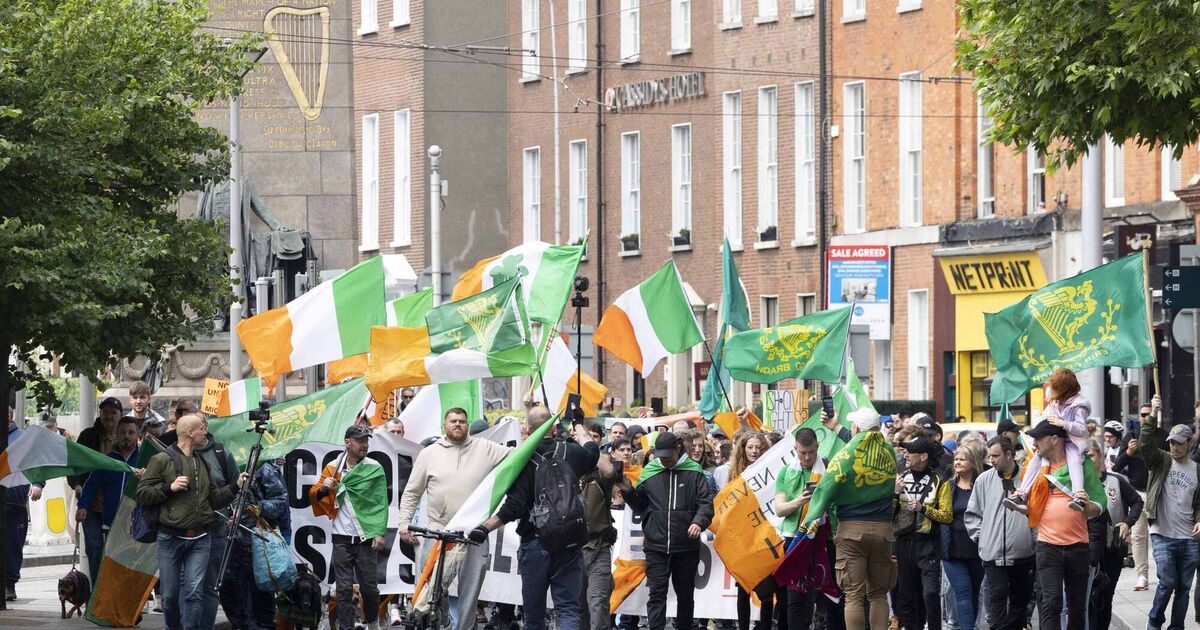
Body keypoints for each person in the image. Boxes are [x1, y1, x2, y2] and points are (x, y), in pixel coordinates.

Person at [471, 407, 600, 630]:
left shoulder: (522, 459)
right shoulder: (572, 452)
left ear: (527, 429)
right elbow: (592, 451)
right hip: (569, 540)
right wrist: (578, 423)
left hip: (535, 542)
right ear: (555, 427)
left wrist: (485, 527)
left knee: (534, 614)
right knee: (568, 609)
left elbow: (513, 507)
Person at [397, 408, 511, 630]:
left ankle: (465, 628)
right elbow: (411, 493)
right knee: (434, 587)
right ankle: (444, 624)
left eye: (462, 421)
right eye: (453, 421)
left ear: (467, 425)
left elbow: (517, 457)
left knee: (470, 591)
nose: (458, 424)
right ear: (444, 425)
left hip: (474, 532)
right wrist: (404, 524)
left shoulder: (485, 447)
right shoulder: (428, 453)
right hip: (439, 530)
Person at [135, 415, 246, 630]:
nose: (206, 432)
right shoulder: (161, 460)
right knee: (169, 597)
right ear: (189, 432)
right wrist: (170, 487)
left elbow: (213, 499)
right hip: (169, 538)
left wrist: (236, 486)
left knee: (195, 594)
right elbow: (142, 494)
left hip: (201, 538)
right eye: (202, 428)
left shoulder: (202, 461)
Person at [616, 431, 714, 630]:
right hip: (656, 546)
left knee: (685, 596)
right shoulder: (649, 472)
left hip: (686, 547)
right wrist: (628, 492)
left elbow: (705, 503)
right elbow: (640, 505)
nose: (666, 460)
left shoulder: (694, 472)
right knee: (656, 595)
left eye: (669, 456)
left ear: (678, 449)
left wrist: (698, 522)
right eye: (662, 457)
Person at [1019, 418, 1102, 630]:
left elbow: (1101, 504)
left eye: (1039, 438)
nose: (1035, 443)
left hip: (1078, 546)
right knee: (1051, 602)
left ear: (1054, 439)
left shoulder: (1082, 465)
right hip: (1047, 546)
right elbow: (1027, 503)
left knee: (1076, 607)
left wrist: (1086, 506)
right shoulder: (1035, 466)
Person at [310, 425, 389, 630]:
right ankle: (346, 627)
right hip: (341, 537)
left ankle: (372, 623)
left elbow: (381, 503)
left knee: (369, 589)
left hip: (365, 537)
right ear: (348, 442)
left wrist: (379, 532)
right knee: (343, 589)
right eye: (360, 440)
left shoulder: (375, 468)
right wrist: (324, 488)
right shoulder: (332, 468)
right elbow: (316, 494)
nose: (364, 445)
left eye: (366, 440)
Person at [1137, 397, 1200, 630]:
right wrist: (1153, 414)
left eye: (1179, 443)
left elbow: (1199, 503)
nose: (1174, 447)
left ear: (1189, 443)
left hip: (1189, 537)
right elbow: (1144, 444)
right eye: (1172, 442)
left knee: (1184, 588)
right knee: (1168, 582)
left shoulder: (1197, 470)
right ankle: (1154, 622)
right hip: (1162, 533)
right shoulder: (1161, 460)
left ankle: (1177, 627)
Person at [965, 436, 1035, 630]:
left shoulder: (1028, 478)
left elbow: (1038, 513)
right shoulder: (983, 480)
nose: (991, 460)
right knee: (996, 599)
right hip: (992, 555)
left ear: (1009, 454)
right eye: (990, 456)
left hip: (1023, 554)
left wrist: (1034, 540)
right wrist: (982, 538)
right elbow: (973, 513)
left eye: (995, 456)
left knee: (1020, 605)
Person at [776, 427, 839, 630]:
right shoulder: (786, 471)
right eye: (802, 453)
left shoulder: (828, 468)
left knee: (827, 592)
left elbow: (837, 504)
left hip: (822, 538)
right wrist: (799, 502)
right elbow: (779, 509)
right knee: (795, 595)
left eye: (811, 452)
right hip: (794, 538)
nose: (807, 457)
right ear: (795, 448)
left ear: (817, 447)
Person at [1006, 369, 1091, 514]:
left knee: (1074, 461)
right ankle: (1021, 494)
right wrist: (1035, 439)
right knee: (1035, 460)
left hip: (1072, 442)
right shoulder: (1055, 402)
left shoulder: (1079, 404)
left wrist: (1063, 423)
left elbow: (1081, 429)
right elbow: (1042, 422)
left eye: (1055, 387)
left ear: (1064, 388)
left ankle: (1078, 495)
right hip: (1053, 442)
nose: (1053, 390)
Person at [220, 457, 288, 630]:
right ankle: (241, 624)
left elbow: (280, 501)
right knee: (228, 584)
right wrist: (227, 515)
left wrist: (257, 509)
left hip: (257, 540)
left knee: (261, 588)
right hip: (229, 539)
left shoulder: (265, 468)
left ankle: (263, 625)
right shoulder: (224, 462)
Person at [893, 435, 952, 630]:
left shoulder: (940, 480)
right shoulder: (900, 477)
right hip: (903, 544)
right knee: (907, 595)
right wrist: (895, 493)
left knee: (930, 594)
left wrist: (923, 508)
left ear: (924, 456)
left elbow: (947, 516)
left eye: (911, 452)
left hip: (928, 544)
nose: (906, 454)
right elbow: (888, 513)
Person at [76, 417, 142, 582]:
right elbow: (91, 484)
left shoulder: (145, 460)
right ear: (116, 435)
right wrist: (82, 506)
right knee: (107, 562)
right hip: (110, 523)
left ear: (138, 435)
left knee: (132, 563)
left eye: (131, 432)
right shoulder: (108, 460)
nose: (127, 436)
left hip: (136, 523)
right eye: (123, 432)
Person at [1087, 438, 1142, 630]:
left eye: (1091, 455)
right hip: (1088, 550)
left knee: (1106, 596)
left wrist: (1128, 523)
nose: (1088, 460)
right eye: (1084, 457)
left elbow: (1137, 502)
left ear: (1101, 456)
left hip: (1113, 549)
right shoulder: (1078, 485)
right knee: (1088, 598)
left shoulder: (1116, 481)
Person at [70, 396, 123, 579]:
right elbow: (74, 462)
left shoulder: (126, 435)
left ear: (120, 415)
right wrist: (76, 484)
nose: (109, 416)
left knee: (115, 550)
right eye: (105, 412)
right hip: (90, 503)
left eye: (113, 413)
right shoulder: (88, 435)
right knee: (94, 548)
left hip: (117, 504)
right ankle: (94, 594)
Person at [578, 428, 621, 630]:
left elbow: (611, 471)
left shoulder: (601, 477)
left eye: (594, 438)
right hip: (572, 553)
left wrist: (581, 431)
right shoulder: (565, 470)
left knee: (598, 605)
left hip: (598, 549)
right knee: (577, 609)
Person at [941, 446, 984, 630]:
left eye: (962, 459)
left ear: (973, 463)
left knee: (973, 592)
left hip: (977, 550)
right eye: (956, 459)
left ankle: (970, 626)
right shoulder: (948, 486)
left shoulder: (981, 486)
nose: (957, 462)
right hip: (952, 550)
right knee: (963, 591)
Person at [5, 411, 44, 601]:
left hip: (14, 502)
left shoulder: (22, 438)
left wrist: (38, 483)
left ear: (10, 414)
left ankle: (9, 584)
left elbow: (36, 463)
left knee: (13, 545)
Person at [1114, 405, 1153, 591]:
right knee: (1138, 536)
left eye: (1150, 414)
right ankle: (1142, 576)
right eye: (1143, 414)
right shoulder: (1131, 437)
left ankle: (1164, 573)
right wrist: (1129, 452)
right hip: (1138, 492)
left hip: (1158, 493)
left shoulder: (1161, 435)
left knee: (1161, 534)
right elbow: (1116, 466)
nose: (1146, 417)